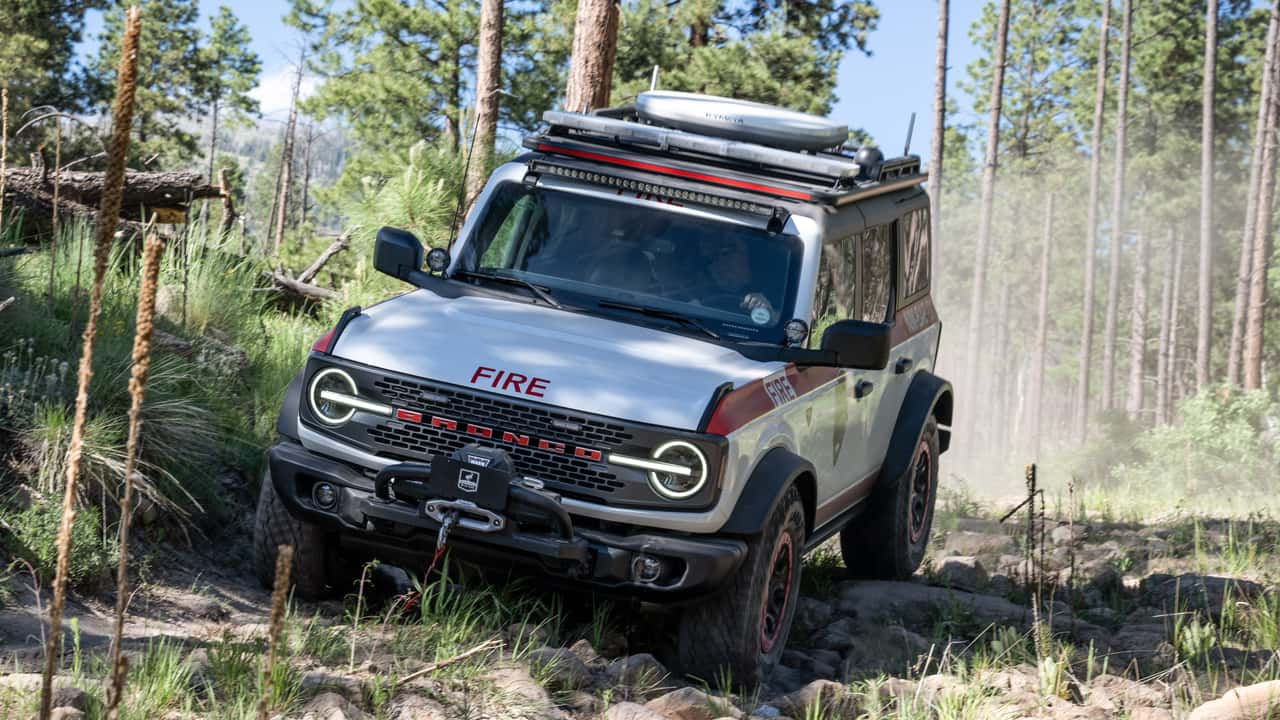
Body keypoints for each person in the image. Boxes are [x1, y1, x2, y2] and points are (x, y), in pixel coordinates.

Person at [697, 235, 777, 321]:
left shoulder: (778, 289)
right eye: (710, 259)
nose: (718, 263)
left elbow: (787, 325)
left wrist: (770, 314)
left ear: (747, 254)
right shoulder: (698, 295)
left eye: (726, 252)